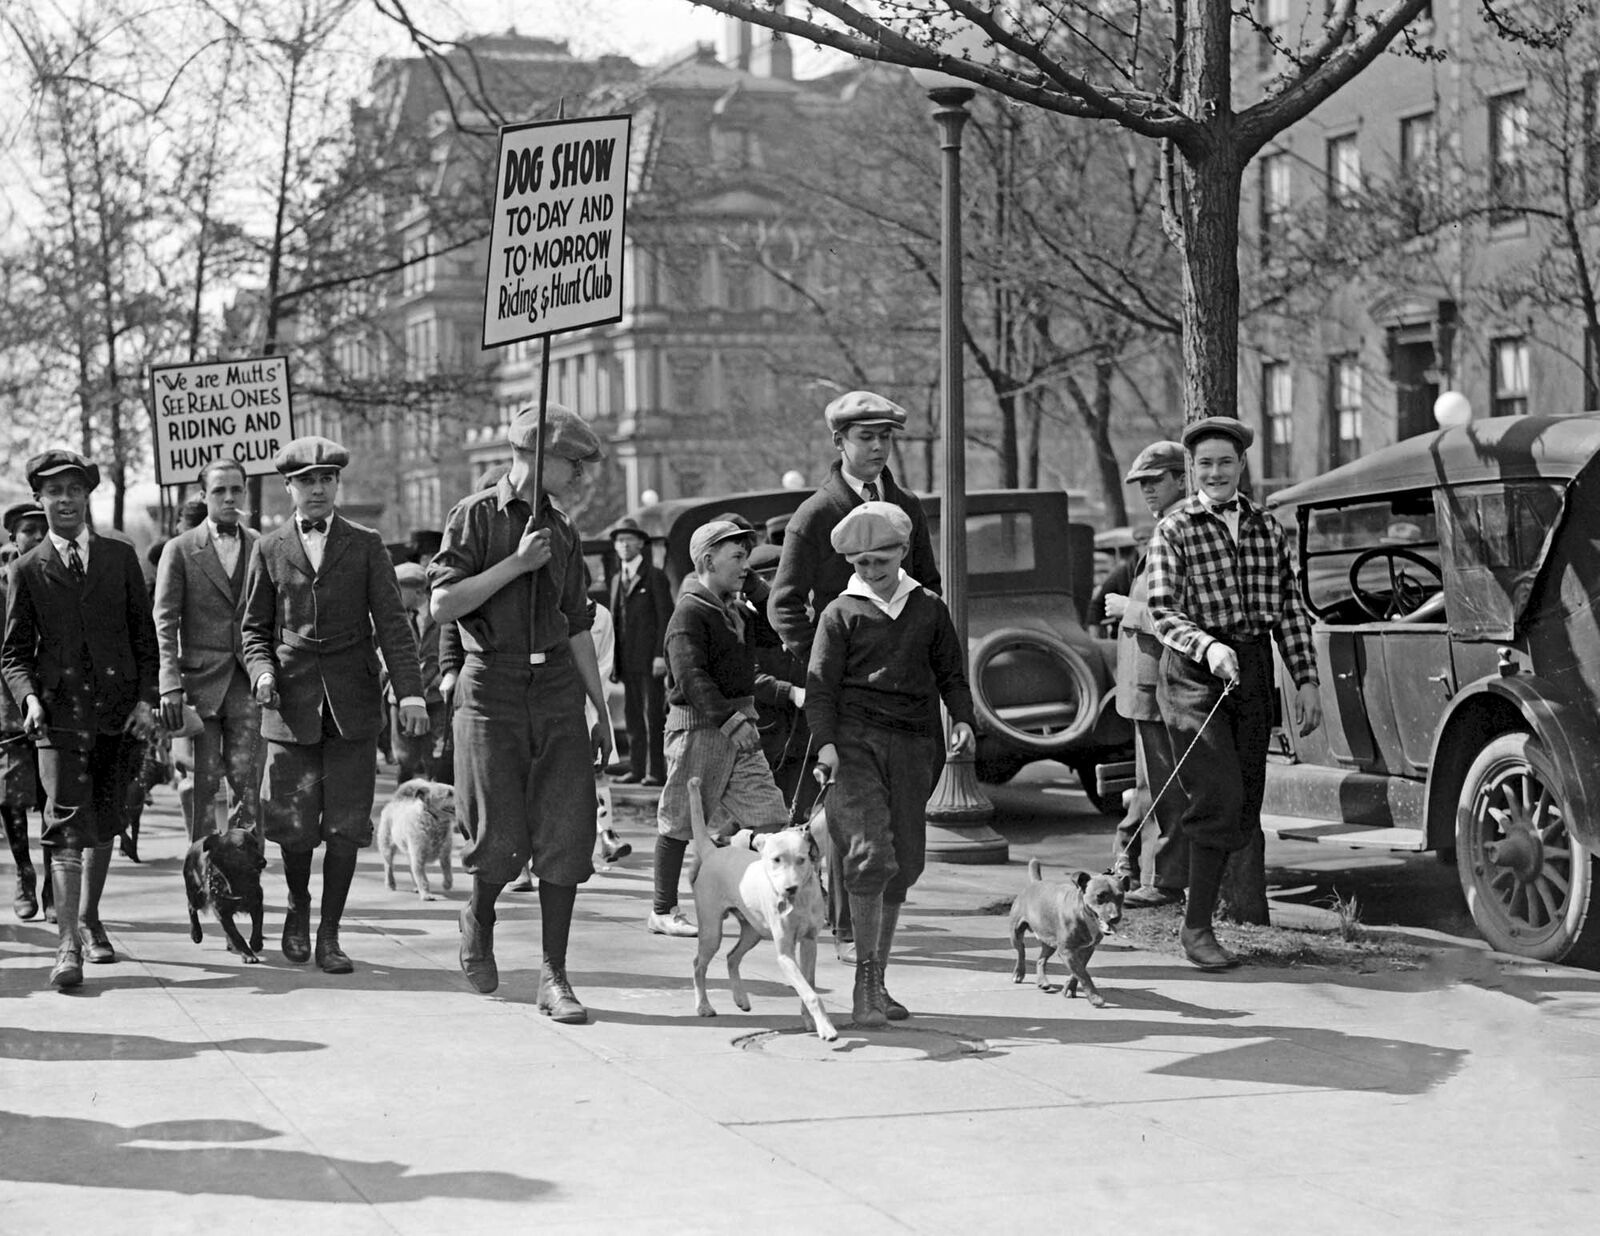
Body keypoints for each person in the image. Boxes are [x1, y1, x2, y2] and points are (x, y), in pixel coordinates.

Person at [429, 405, 613, 1021]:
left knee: (567, 831)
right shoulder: (474, 515)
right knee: (501, 838)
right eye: (572, 463)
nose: (581, 475)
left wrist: (599, 706)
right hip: (491, 688)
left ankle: (553, 976)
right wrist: (514, 564)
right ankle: (478, 917)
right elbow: (443, 605)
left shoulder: (563, 528)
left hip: (557, 686)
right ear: (535, 457)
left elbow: (578, 623)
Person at [242, 436, 428, 975]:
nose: (317, 489)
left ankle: (330, 932)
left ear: (337, 485)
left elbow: (393, 623)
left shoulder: (367, 544)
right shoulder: (270, 547)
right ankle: (298, 910)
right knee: (295, 825)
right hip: (289, 705)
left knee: (345, 827)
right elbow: (254, 630)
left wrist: (411, 690)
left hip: (353, 701)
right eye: (307, 480)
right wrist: (261, 672)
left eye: (326, 479)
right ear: (290, 488)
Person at [769, 389, 940, 963]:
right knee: (846, 821)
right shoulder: (817, 513)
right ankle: (846, 933)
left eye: (885, 437)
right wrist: (822, 659)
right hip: (843, 699)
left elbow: (928, 584)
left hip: (905, 703)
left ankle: (861, 932)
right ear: (838, 442)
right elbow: (784, 603)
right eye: (865, 438)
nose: (877, 448)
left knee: (893, 830)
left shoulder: (908, 506)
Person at [1145, 416, 1322, 971]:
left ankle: (1206, 920)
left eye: (1225, 462)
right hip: (1194, 673)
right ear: (1192, 471)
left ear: (1242, 465)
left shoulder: (1268, 528)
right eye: (1204, 464)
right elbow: (1161, 611)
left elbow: (1290, 610)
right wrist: (1207, 648)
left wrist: (1306, 679)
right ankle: (1196, 929)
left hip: (1251, 667)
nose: (1216, 472)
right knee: (1217, 792)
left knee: (1243, 802)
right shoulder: (1174, 528)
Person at [806, 502, 974, 1025]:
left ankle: (878, 979)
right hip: (854, 745)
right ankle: (864, 982)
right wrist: (825, 743)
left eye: (881, 561)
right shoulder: (841, 613)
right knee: (868, 854)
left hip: (914, 745)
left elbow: (951, 674)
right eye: (861, 565)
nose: (872, 572)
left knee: (904, 862)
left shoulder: (928, 608)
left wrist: (964, 719)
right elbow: (820, 688)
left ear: (903, 552)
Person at [1, 450, 159, 988]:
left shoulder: (119, 557)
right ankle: (67, 943)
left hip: (115, 716)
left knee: (104, 824)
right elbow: (14, 654)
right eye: (54, 492)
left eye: (74, 489)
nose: (64, 499)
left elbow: (145, 639)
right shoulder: (27, 568)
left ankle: (90, 918)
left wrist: (145, 699)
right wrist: (29, 700)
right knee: (64, 828)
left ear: (86, 495)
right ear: (40, 500)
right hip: (58, 719)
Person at [650, 520, 796, 937]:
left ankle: (765, 896)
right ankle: (662, 909)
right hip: (699, 728)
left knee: (770, 815)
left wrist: (757, 592)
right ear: (708, 560)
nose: (745, 566)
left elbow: (773, 635)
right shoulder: (690, 613)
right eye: (737, 557)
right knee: (680, 817)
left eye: (746, 558)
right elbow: (691, 678)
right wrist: (730, 722)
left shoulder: (735, 609)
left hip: (740, 726)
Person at [152, 459, 264, 843]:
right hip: (198, 686)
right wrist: (169, 684)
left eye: (237, 489)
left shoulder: (261, 546)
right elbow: (164, 621)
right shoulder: (180, 550)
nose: (229, 498)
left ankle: (245, 881)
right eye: (219, 490)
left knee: (248, 790)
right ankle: (201, 882)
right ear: (204, 495)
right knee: (200, 787)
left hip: (249, 685)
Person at [1104, 441, 1191, 907]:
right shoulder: (1162, 529)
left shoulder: (1182, 531)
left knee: (1165, 786)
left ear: (1181, 478)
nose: (1147, 493)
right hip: (1144, 686)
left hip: (1164, 684)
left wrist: (1128, 609)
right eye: (1142, 485)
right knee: (1148, 785)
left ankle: (1162, 880)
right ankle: (1127, 866)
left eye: (1155, 482)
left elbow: (1182, 615)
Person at [1, 501, 49, 921]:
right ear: (12, 539)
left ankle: (55, 882)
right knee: (12, 796)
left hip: (58, 701)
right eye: (27, 531)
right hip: (8, 708)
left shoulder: (63, 577)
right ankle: (24, 871)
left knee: (57, 796)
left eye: (42, 529)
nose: (35, 537)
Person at [606, 515, 671, 786]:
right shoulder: (615, 579)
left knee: (652, 717)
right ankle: (636, 766)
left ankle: (655, 771)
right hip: (627, 661)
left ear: (641, 543)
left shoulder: (654, 576)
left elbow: (665, 616)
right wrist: (613, 662)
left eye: (629, 540)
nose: (624, 545)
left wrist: (660, 655)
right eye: (620, 541)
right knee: (632, 717)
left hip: (649, 661)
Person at [389, 562, 447, 783]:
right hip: (402, 697)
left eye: (399, 590)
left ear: (419, 591)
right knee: (405, 759)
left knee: (437, 759)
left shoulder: (442, 613)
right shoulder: (394, 616)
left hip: (435, 698)